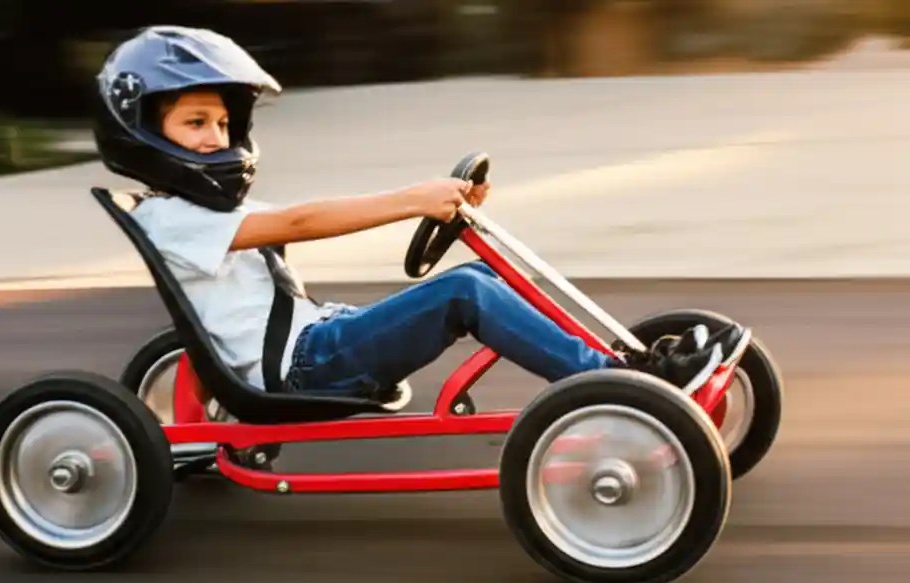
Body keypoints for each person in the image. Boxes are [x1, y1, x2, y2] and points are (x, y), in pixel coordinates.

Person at [92, 25, 742, 401]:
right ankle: (617, 386)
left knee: (480, 278)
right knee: (463, 293)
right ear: (142, 129)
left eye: (222, 122)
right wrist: (412, 200)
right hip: (303, 366)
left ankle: (624, 367)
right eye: (195, 122)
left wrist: (442, 204)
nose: (215, 137)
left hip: (320, 335)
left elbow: (292, 220)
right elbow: (300, 223)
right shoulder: (172, 219)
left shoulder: (199, 208)